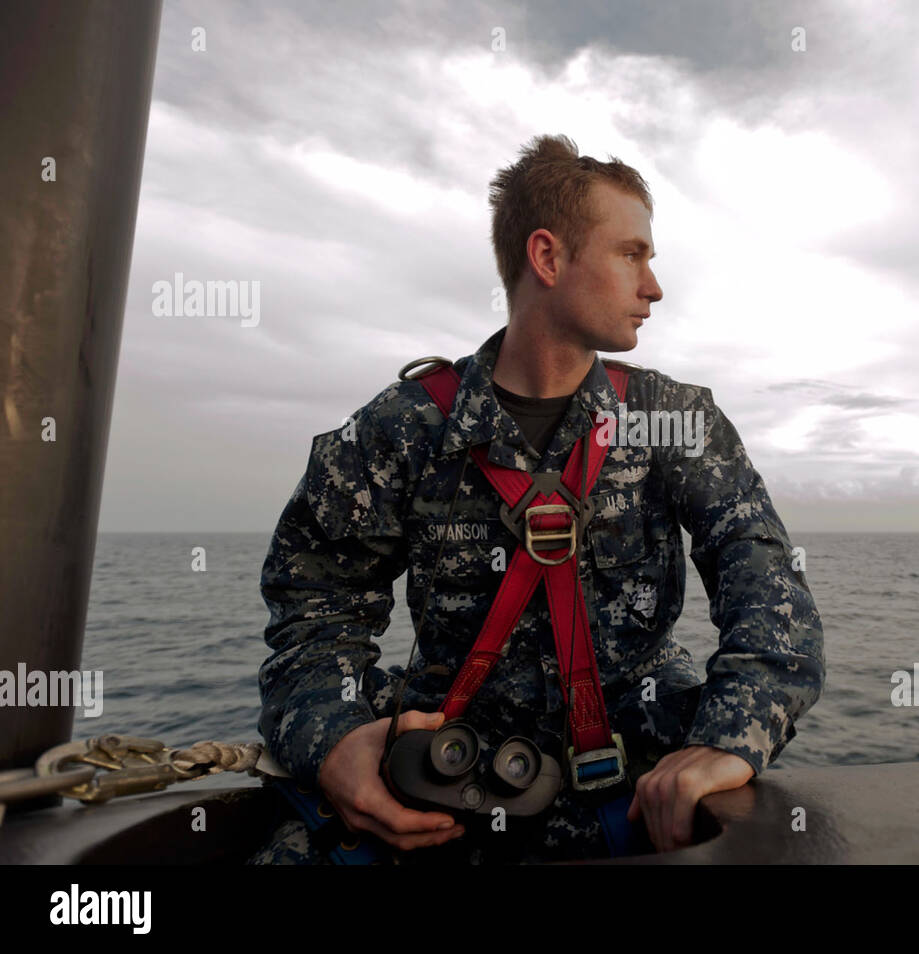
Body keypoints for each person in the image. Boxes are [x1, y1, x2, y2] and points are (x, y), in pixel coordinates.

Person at [249, 134, 824, 865]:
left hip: (635, 787)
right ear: (548, 258)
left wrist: (725, 739)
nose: (654, 286)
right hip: (445, 791)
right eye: (632, 254)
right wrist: (333, 739)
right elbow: (312, 605)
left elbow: (772, 596)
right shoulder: (402, 428)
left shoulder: (675, 422)